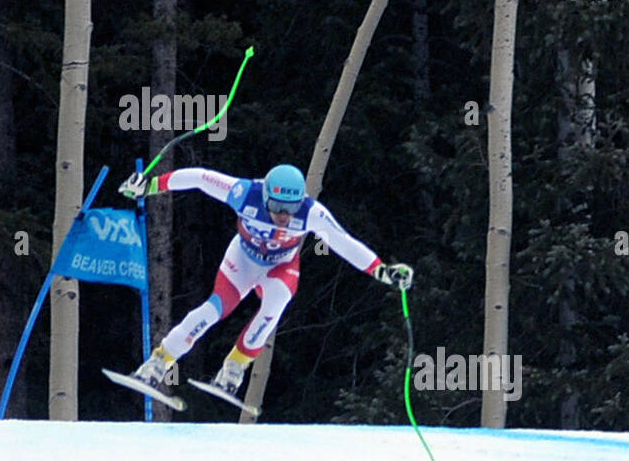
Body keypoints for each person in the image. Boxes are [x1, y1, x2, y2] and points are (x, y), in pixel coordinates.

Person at [118, 163, 412, 397]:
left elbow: (343, 243)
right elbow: (200, 178)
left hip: (280, 267)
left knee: (275, 305)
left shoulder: (312, 213)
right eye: (278, 207)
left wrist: (381, 271)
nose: (285, 215)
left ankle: (234, 368)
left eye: (291, 208)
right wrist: (151, 186)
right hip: (244, 260)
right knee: (214, 310)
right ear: (266, 195)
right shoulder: (245, 193)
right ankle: (159, 362)